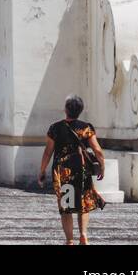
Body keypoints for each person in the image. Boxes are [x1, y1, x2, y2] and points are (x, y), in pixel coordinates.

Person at [37, 94, 107, 245]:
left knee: (67, 205)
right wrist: (102, 166)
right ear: (80, 110)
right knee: (83, 202)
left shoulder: (55, 128)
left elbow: (48, 152)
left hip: (62, 172)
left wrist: (42, 171)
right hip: (81, 169)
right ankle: (83, 235)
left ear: (65, 109)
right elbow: (98, 150)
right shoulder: (86, 127)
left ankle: (69, 240)